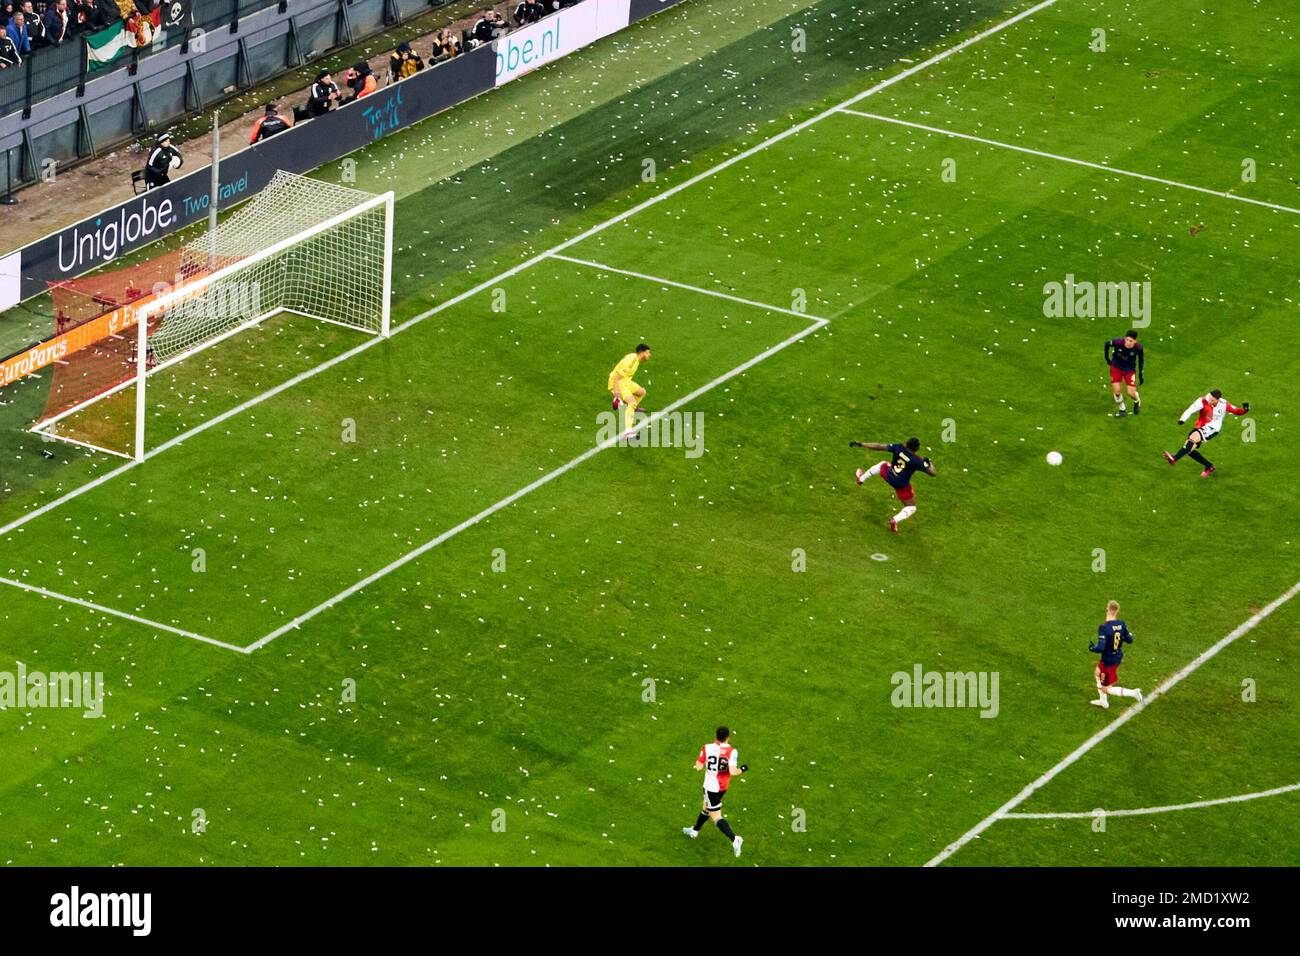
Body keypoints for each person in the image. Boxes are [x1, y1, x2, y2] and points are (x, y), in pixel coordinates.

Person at [682, 726, 747, 858]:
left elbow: (699, 766)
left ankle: (735, 839)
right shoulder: (732, 751)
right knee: (706, 808)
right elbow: (733, 772)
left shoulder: (707, 747)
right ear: (728, 737)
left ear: (716, 736)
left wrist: (698, 765)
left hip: (710, 788)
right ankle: (694, 830)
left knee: (716, 816)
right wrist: (743, 769)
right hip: (722, 787)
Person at [851, 437, 935, 533]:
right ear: (917, 449)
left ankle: (861, 479)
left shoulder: (898, 447)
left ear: (907, 444)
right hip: (901, 485)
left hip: (889, 475)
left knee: (882, 464)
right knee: (912, 507)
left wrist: (862, 444)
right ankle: (894, 520)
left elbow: (878, 446)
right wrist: (929, 461)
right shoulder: (917, 460)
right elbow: (933, 473)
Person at [1162, 388, 1248, 477]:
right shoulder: (1202, 401)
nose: (1210, 400)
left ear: (1218, 399)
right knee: (1188, 449)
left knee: (1192, 438)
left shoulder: (1224, 404)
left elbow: (1237, 411)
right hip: (1200, 427)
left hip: (1213, 428)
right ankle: (1209, 466)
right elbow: (1190, 409)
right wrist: (1183, 419)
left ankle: (1175, 458)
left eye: (1212, 400)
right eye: (1210, 398)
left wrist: (1245, 410)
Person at [1088, 600, 1143, 709]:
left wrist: (1092, 648)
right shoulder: (1122, 624)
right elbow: (1130, 639)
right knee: (1097, 673)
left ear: (1107, 609)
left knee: (1106, 688)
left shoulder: (1104, 627)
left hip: (1108, 660)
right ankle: (1103, 701)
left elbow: (1101, 648)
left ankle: (1133, 693)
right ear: (1117, 611)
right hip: (1117, 655)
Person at [607, 343, 651, 440]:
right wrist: (616, 394)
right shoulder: (631, 361)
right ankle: (627, 433)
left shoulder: (636, 359)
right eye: (648, 352)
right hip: (618, 383)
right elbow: (617, 379)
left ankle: (632, 409)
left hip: (626, 381)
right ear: (642, 353)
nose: (649, 355)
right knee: (632, 402)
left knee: (642, 392)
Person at [1104, 329, 1144, 416]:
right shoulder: (1118, 342)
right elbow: (1107, 344)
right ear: (1125, 338)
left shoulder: (1138, 348)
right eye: (1127, 340)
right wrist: (1107, 358)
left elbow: (1141, 360)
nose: (1128, 342)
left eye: (1131, 341)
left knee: (1130, 393)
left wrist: (1141, 373)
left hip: (1129, 370)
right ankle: (1122, 409)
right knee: (1117, 392)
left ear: (1135, 341)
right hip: (1116, 367)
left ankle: (1136, 401)